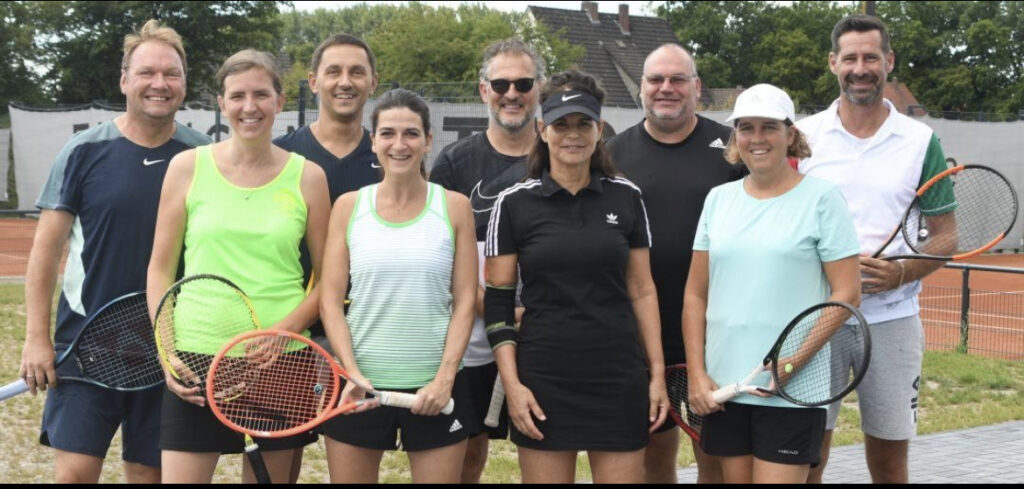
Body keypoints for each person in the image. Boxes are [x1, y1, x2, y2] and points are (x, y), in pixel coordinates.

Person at [18, 19, 208, 483]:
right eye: (146, 72)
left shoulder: (203, 157)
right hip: (85, 345)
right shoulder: (83, 151)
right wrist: (37, 338)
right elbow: (44, 253)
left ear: (184, 83)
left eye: (171, 73)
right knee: (75, 475)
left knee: (148, 477)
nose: (159, 84)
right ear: (124, 80)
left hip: (167, 350)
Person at [146, 49, 330, 483]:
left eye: (262, 94)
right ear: (222, 102)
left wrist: (286, 329)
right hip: (195, 358)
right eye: (238, 96)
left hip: (280, 360)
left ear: (280, 101)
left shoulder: (309, 177)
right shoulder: (186, 168)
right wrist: (166, 350)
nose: (251, 107)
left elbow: (326, 277)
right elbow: (159, 270)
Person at [484, 70, 670, 484]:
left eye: (583, 123)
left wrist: (655, 374)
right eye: (561, 124)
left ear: (599, 129)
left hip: (618, 377)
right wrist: (513, 386)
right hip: (543, 379)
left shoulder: (627, 197)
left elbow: (642, 291)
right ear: (542, 130)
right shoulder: (512, 204)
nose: (573, 134)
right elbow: (497, 303)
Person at [796, 15, 956, 484]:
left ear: (889, 61)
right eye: (850, 58)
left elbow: (946, 236)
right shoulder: (803, 136)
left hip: (891, 321)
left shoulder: (920, 140)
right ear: (832, 63)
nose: (860, 68)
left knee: (889, 464)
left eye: (870, 57)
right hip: (815, 318)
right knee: (807, 459)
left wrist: (900, 273)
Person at [682, 83, 862, 484]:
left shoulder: (823, 199)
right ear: (736, 138)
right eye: (746, 128)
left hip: (790, 393)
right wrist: (698, 373)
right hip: (725, 387)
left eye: (769, 127)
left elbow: (847, 294)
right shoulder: (718, 200)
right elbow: (696, 294)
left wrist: (789, 364)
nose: (757, 138)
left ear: (790, 135)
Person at [318, 88, 477, 484]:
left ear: (428, 141)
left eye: (410, 134)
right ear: (373, 142)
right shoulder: (349, 206)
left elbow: (465, 300)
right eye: (387, 133)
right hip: (360, 387)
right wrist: (352, 373)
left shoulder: (454, 206)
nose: (399, 144)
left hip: (433, 389)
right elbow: (330, 301)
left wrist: (444, 379)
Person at [606, 43, 746, 484]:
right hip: (639, 338)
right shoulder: (610, 155)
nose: (666, 88)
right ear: (642, 88)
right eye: (655, 80)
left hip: (717, 335)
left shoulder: (734, 150)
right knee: (652, 456)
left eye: (677, 79)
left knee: (717, 459)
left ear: (697, 87)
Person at [427, 37, 543, 483]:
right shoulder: (455, 163)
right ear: (483, 90)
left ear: (539, 88)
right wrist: (496, 310)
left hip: (541, 332)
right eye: (500, 84)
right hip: (473, 337)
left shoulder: (563, 158)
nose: (511, 93)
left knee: (546, 445)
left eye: (523, 83)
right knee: (467, 451)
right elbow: (438, 257)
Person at [271, 32, 382, 483]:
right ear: (313, 81)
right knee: (279, 467)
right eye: (333, 71)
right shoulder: (280, 154)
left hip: (362, 336)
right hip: (288, 332)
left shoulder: (390, 153)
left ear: (373, 82)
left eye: (357, 71)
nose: (345, 81)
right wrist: (291, 324)